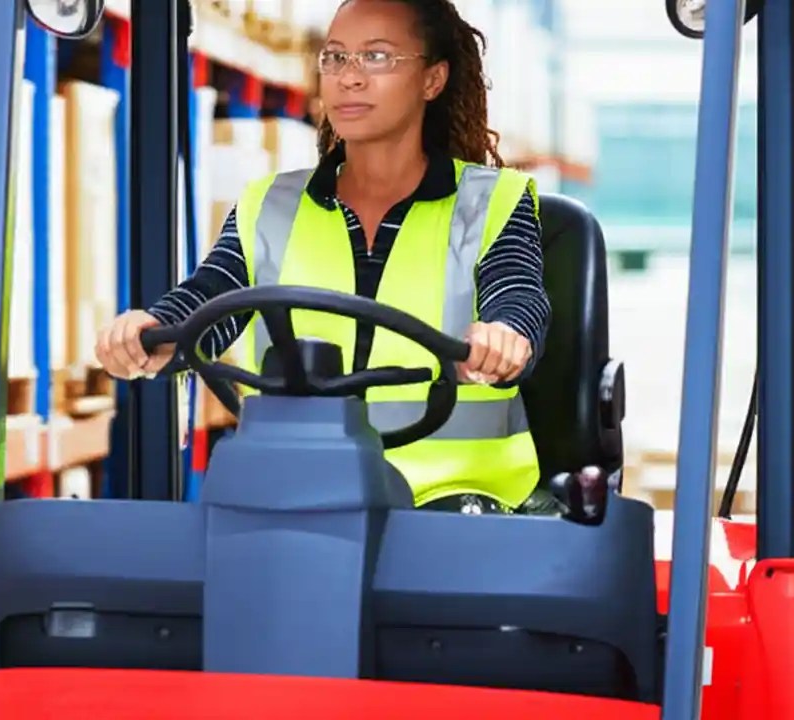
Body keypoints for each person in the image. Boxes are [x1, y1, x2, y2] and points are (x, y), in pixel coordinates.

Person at [97, 0, 560, 515]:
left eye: (377, 57)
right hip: (297, 490)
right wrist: (156, 331)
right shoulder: (269, 205)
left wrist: (504, 337)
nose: (349, 78)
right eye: (335, 58)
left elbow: (515, 293)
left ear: (433, 79)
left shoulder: (491, 202)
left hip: (451, 506)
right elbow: (211, 294)